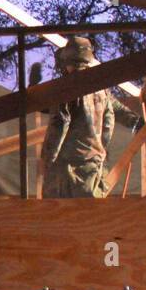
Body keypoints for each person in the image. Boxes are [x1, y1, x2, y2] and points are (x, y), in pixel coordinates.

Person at [42, 36, 114, 198]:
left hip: (69, 167)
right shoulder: (101, 89)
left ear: (67, 60)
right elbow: (109, 123)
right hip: (93, 165)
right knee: (89, 217)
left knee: (62, 216)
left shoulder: (68, 87)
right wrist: (99, 150)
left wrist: (49, 159)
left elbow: (60, 123)